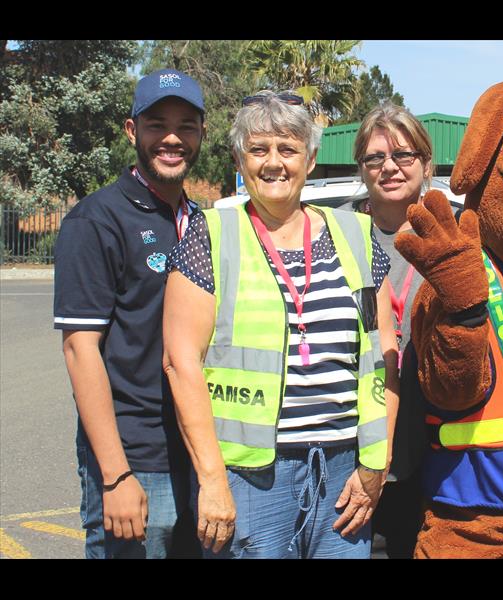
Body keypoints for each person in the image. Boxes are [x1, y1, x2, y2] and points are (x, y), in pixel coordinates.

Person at [161, 90, 399, 559]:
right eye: (259, 149)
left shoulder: (356, 234)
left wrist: (377, 463)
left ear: (309, 159)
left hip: (343, 474)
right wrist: (211, 480)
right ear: (239, 158)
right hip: (249, 481)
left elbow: (385, 356)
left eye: (288, 149)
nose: (274, 163)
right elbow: (180, 362)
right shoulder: (210, 236)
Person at [54, 68, 206, 558]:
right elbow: (81, 351)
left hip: (202, 455)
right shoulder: (96, 220)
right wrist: (115, 473)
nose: (171, 138)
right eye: (157, 123)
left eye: (186, 125)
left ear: (201, 133)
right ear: (131, 130)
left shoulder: (204, 223)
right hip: (135, 458)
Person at [346, 102, 438, 558]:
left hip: (434, 450)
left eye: (403, 155)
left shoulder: (451, 234)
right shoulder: (336, 232)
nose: (390, 167)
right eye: (375, 158)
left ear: (426, 162)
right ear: (361, 167)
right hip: (353, 450)